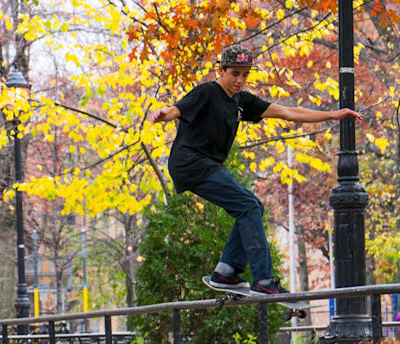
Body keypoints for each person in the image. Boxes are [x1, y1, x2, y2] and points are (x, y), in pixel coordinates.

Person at [148, 44, 364, 300]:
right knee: (249, 206)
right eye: (234, 74)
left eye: (245, 75)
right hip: (191, 162)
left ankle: (226, 272)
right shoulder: (207, 92)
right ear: (222, 70)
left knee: (252, 208)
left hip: (206, 165)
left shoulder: (242, 101)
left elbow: (287, 112)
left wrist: (332, 115)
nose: (240, 80)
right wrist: (164, 113)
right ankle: (264, 280)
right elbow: (178, 109)